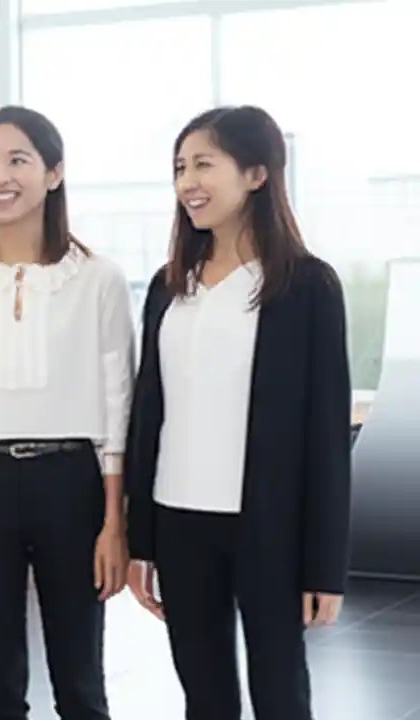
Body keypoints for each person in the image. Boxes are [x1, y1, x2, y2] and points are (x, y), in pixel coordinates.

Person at [123, 105, 352, 720]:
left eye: (203, 165)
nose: (187, 183)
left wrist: (324, 567)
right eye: (179, 168)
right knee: (204, 695)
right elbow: (150, 417)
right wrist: (139, 539)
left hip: (268, 527)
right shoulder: (169, 285)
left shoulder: (307, 286)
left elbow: (326, 438)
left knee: (280, 693)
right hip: (179, 519)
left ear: (256, 174)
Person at [0, 105, 135, 720]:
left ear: (54, 174)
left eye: (18, 160)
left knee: (81, 684)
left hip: (72, 484)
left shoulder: (98, 278)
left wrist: (115, 524)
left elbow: (119, 405)